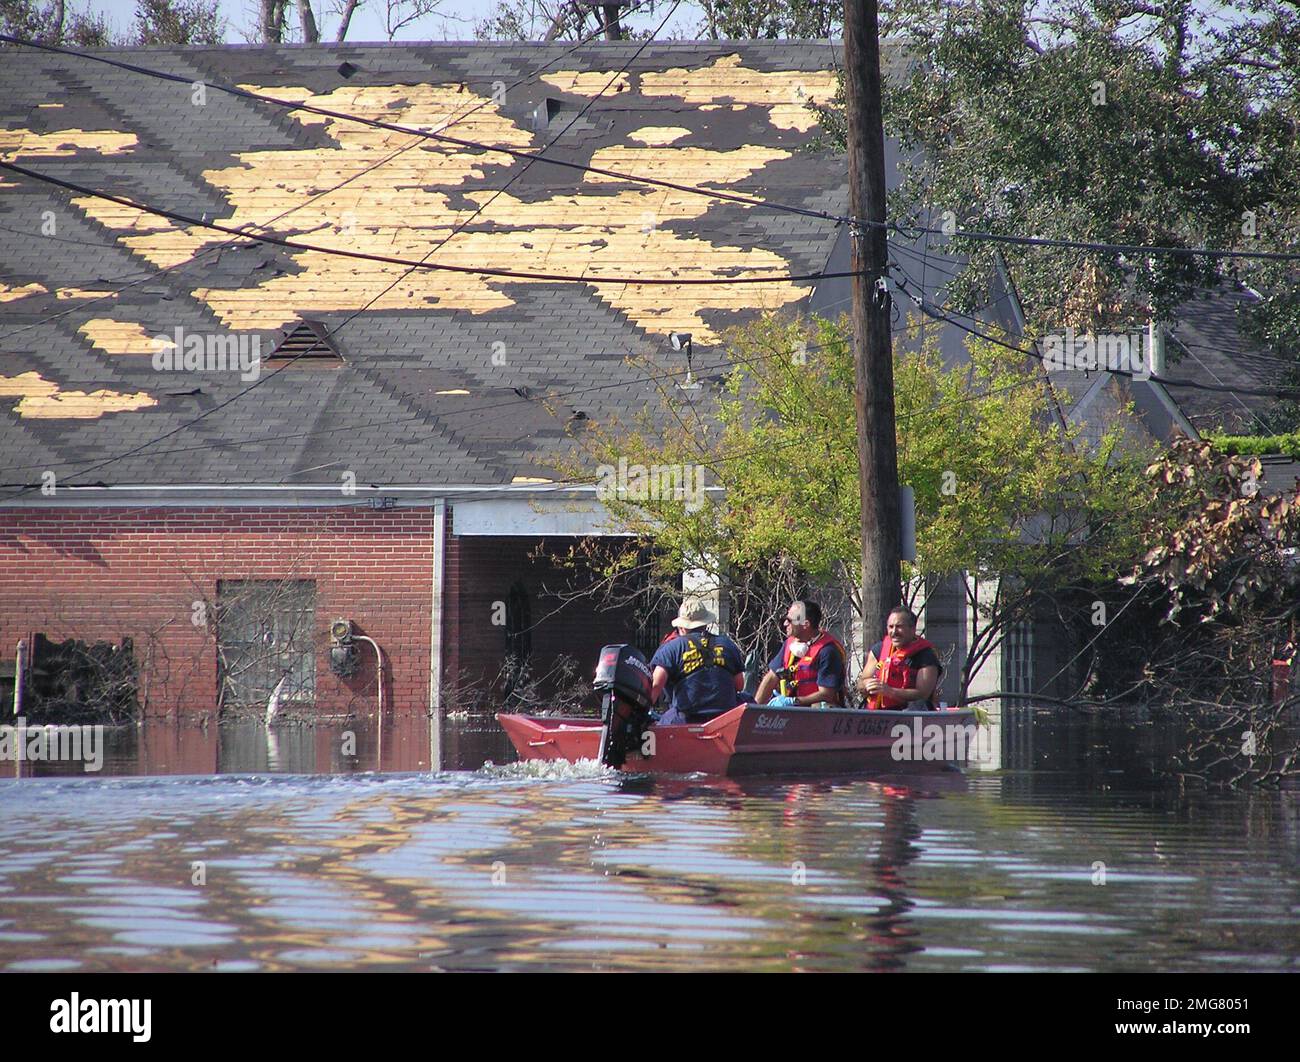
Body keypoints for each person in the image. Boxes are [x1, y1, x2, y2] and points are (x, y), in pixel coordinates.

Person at [648, 601, 746, 723]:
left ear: (682, 627)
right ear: (706, 624)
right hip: (725, 719)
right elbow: (739, 685)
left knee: (658, 724)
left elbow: (656, 685)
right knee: (747, 700)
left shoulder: (670, 648)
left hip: (685, 720)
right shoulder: (727, 645)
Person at [756, 600, 846, 707]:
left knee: (817, 706)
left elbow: (826, 694)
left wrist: (793, 701)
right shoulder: (789, 644)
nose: (785, 624)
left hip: (820, 713)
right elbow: (771, 677)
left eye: (789, 621)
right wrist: (754, 708)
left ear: (805, 624)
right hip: (792, 711)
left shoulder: (828, 651)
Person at [857, 605, 943, 710]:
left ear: (912, 629)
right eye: (891, 627)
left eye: (899, 626)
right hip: (877, 714)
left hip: (910, 715)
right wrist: (866, 684)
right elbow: (862, 681)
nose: (894, 632)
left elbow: (922, 694)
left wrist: (890, 691)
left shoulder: (926, 656)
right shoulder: (878, 650)